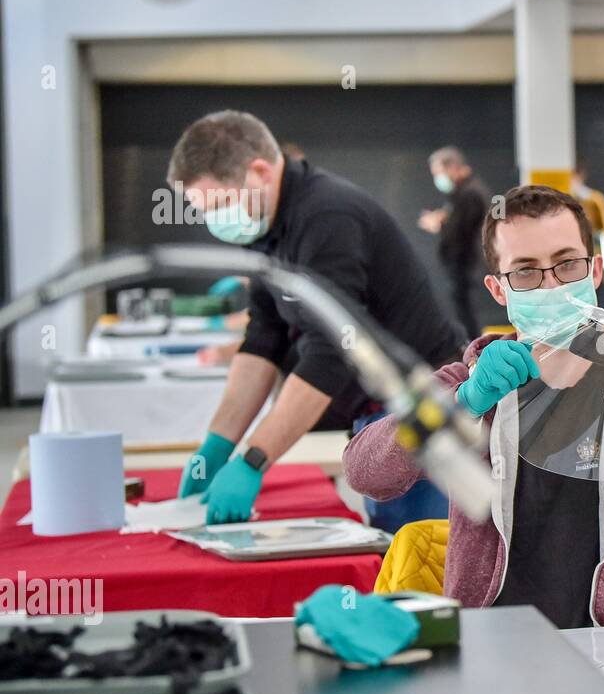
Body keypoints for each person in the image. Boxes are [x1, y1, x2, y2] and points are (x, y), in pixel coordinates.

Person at [344, 185, 604, 628]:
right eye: (526, 272)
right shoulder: (468, 384)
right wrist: (463, 404)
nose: (551, 284)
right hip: (495, 646)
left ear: (595, 271)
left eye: (567, 264)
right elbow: (365, 473)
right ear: (498, 289)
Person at [168, 110, 465, 525]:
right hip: (375, 413)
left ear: (259, 172)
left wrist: (254, 459)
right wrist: (216, 446)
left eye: (219, 204)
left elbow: (334, 349)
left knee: (427, 551)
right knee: (392, 537)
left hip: (426, 406)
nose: (214, 220)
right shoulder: (264, 230)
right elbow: (264, 337)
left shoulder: (327, 217)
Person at [419, 146, 489, 338]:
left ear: (452, 168)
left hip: (464, 262)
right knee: (462, 309)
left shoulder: (470, 193)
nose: (438, 179)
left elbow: (461, 230)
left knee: (466, 312)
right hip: (460, 262)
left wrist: (438, 226)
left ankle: (473, 348)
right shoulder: (461, 193)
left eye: (439, 173)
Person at [572, 159, 604, 267]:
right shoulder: (560, 201)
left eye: (573, 175)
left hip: (593, 256)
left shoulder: (595, 200)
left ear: (581, 176)